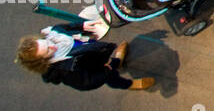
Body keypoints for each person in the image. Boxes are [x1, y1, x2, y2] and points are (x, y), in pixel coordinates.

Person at [15, 26, 153, 92]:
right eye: (48, 51)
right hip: (95, 67)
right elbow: (85, 83)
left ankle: (117, 62)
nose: (53, 46)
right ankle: (128, 84)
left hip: (92, 53)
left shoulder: (51, 36)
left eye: (48, 43)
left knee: (111, 62)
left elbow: (65, 28)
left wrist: (83, 26)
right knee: (112, 76)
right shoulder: (65, 70)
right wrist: (105, 72)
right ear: (42, 61)